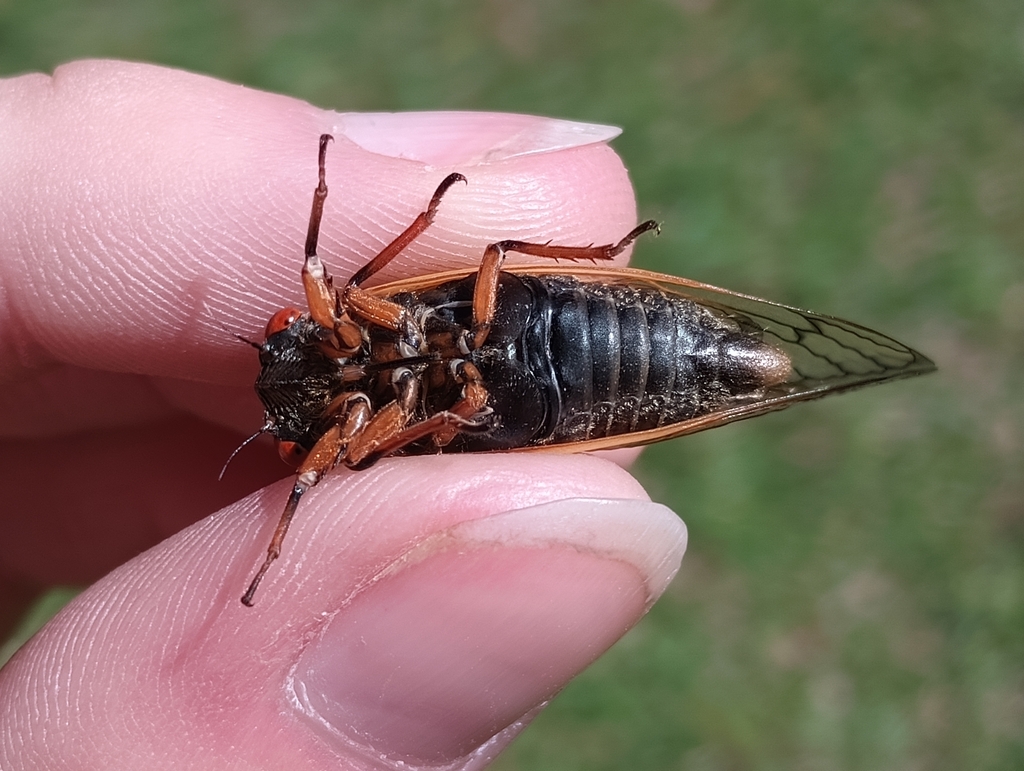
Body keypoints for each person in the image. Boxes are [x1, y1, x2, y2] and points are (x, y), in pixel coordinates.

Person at [0, 60, 686, 769]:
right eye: (298, 448)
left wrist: (381, 209)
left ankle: (599, 266)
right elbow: (338, 458)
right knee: (399, 398)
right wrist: (285, 536)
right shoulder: (348, 428)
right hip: (530, 407)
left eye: (284, 327)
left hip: (515, 323)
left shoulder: (348, 316)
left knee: (488, 254)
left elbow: (323, 269)